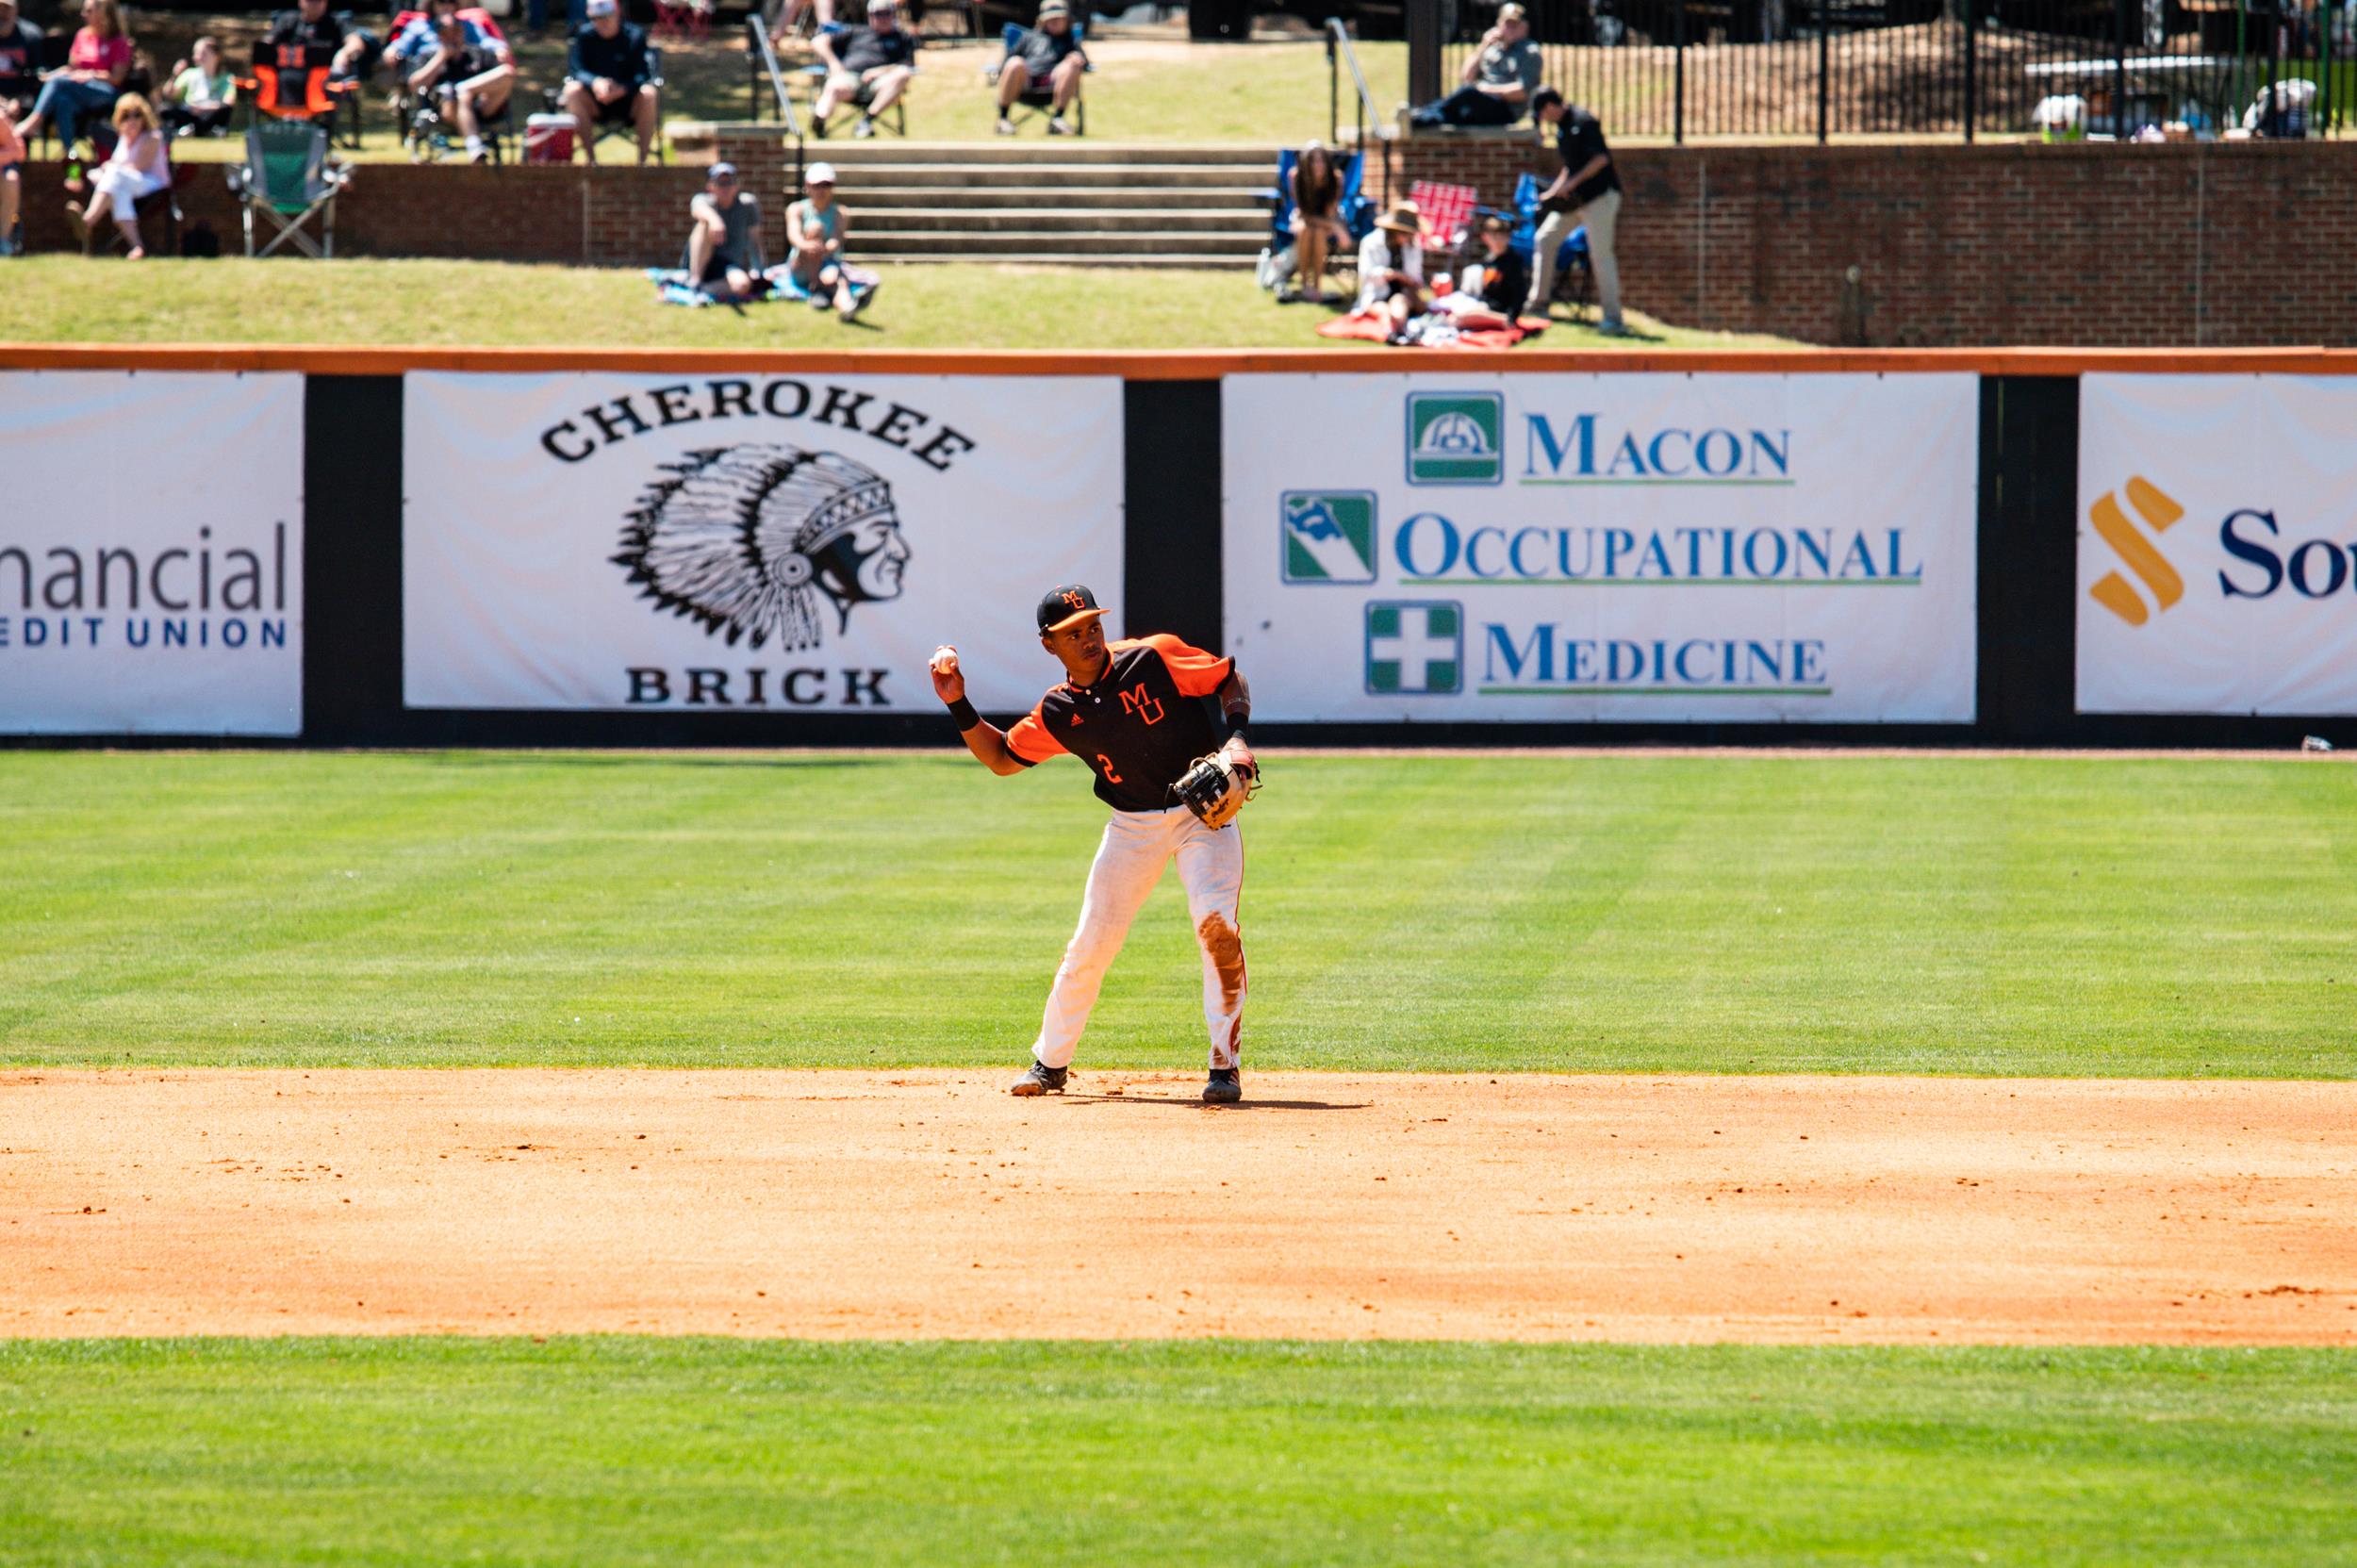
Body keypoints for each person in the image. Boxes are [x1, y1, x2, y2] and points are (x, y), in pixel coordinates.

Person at [928, 584, 1260, 1105]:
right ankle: (1050, 1063)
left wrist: (1236, 737)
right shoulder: (1058, 712)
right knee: (1090, 944)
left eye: (1092, 626)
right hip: (1131, 826)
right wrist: (957, 703)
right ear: (1048, 645)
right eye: (1071, 634)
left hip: (1203, 818)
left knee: (1215, 926)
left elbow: (1227, 678)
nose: (1087, 638)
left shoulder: (1154, 656)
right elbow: (1000, 758)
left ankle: (1225, 1067)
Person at [1526, 88, 1621, 334]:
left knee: (1601, 256)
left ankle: (1613, 318)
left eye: (1542, 113)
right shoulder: (1562, 130)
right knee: (1545, 239)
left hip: (1599, 198)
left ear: (1549, 107)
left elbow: (1600, 159)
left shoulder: (1583, 121)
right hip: (1576, 200)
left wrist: (1571, 184)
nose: (1543, 119)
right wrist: (1554, 191)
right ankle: (1539, 304)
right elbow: (1570, 167)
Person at [19, 0, 133, 159]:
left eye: (88, 11)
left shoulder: (118, 41)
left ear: (103, 13)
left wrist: (90, 75)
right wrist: (51, 76)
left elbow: (116, 78)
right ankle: (70, 151)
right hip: (76, 88)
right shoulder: (82, 35)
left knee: (59, 83)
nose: (83, 14)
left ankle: (35, 121)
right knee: (63, 99)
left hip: (105, 92)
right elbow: (71, 69)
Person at [1408, 1, 1541, 129]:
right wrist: (1482, 47)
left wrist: (1485, 89)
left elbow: (1522, 92)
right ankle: (1420, 120)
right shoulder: (1493, 49)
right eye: (1507, 24)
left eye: (1515, 25)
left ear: (1524, 27)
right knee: (1458, 115)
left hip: (1506, 110)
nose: (1510, 29)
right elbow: (1467, 77)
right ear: (1498, 25)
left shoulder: (1529, 52)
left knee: (1468, 93)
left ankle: (1421, 115)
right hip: (1481, 104)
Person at [410, 0, 514, 163]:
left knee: (500, 76)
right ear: (439, 36)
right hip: (446, 109)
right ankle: (474, 146)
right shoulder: (429, 56)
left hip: (481, 107)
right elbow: (414, 85)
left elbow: (506, 73)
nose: (453, 36)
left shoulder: (477, 54)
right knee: (459, 95)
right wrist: (441, 57)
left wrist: (467, 89)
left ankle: (464, 92)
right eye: (447, 33)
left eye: (457, 31)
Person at [67, 91, 165, 257]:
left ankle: (88, 220)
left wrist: (110, 168)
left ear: (145, 116)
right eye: (126, 116)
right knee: (118, 192)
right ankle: (137, 247)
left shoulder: (153, 137)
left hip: (152, 183)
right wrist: (78, 177)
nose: (132, 120)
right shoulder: (123, 139)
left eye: (137, 115)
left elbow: (140, 166)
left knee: (114, 175)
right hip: (125, 183)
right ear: (120, 119)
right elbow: (115, 171)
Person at [561, 0, 657, 165]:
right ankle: (590, 160)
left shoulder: (634, 35)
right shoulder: (584, 35)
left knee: (649, 93)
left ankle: (643, 163)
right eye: (597, 18)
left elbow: (643, 74)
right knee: (572, 90)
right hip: (595, 102)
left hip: (629, 102)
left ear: (617, 13)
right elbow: (576, 70)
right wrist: (596, 82)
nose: (602, 22)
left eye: (607, 17)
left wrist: (623, 89)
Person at [811, 0, 915, 140]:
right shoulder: (857, 32)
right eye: (878, 14)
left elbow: (907, 65)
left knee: (903, 73)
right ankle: (820, 120)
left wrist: (879, 71)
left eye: (887, 13)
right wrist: (833, 63)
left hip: (881, 84)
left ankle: (867, 120)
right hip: (850, 78)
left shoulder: (902, 38)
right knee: (834, 85)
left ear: (893, 15)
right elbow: (818, 41)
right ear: (870, 16)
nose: (883, 18)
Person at [786, 161, 877, 322]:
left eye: (826, 185)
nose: (821, 190)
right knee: (816, 229)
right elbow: (794, 237)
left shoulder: (839, 212)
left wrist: (823, 249)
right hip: (801, 264)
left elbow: (836, 241)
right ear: (808, 186)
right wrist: (809, 246)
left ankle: (847, 308)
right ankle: (816, 288)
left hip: (826, 263)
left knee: (835, 279)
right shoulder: (796, 209)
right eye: (817, 185)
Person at [994, 0, 1084, 138]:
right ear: (1042, 20)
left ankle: (1058, 119)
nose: (1055, 22)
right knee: (1015, 63)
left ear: (1067, 20)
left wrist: (1076, 58)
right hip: (1025, 83)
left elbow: (1086, 63)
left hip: (1053, 85)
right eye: (1051, 18)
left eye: (1059, 18)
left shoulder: (1070, 40)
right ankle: (1003, 119)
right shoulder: (1028, 37)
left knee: (1073, 63)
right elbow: (1006, 61)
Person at [1429, 213, 1528, 329]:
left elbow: (1519, 293)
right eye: (1494, 236)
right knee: (1447, 313)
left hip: (1498, 309)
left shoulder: (1513, 261)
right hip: (1482, 304)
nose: (1498, 240)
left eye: (1502, 236)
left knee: (1458, 319)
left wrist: (1512, 316)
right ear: (1485, 237)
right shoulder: (1489, 260)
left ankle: (1501, 321)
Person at [1278, 140, 1347, 304]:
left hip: (1327, 220)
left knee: (1316, 232)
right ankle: (1305, 285)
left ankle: (1315, 286)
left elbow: (1329, 213)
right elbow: (1302, 211)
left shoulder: (1336, 179)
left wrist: (1333, 225)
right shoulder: (1296, 176)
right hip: (1306, 220)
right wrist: (1337, 229)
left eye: (1321, 160)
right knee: (1306, 230)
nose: (1318, 165)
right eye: (1313, 160)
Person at [684, 160, 761, 298]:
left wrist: (758, 269)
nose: (724, 188)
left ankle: (703, 290)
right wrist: (714, 220)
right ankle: (695, 279)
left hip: (728, 266)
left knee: (742, 285)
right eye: (720, 183)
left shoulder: (747, 204)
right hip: (701, 262)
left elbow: (755, 239)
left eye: (728, 183)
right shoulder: (703, 201)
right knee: (704, 224)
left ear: (736, 186)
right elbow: (697, 209)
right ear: (710, 186)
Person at [1355, 200, 1426, 332]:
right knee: (1384, 312)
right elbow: (1365, 274)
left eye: (1410, 233)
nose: (1407, 237)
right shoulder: (1372, 242)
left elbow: (1417, 276)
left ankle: (1397, 329)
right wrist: (1391, 274)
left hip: (1402, 294)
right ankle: (1392, 331)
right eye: (1403, 233)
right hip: (1377, 294)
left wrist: (1411, 282)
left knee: (1399, 308)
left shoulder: (1413, 246)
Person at [161, 37, 236, 138]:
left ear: (216, 56)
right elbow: (169, 94)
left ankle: (195, 130)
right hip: (191, 112)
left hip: (210, 113)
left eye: (204, 54)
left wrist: (204, 108)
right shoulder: (190, 74)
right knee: (164, 109)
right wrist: (174, 75)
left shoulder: (227, 78)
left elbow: (228, 103)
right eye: (197, 53)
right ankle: (200, 130)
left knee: (225, 110)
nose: (199, 57)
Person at [0, 0, 42, 122]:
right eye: (0, 8)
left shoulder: (31, 35)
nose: (2, 13)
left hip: (22, 98)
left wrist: (18, 101)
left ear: (16, 10)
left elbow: (38, 76)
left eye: (7, 8)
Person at [0, 98, 22, 256]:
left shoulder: (2, 121)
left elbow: (19, 152)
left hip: (4, 168)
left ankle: (4, 238)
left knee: (11, 180)